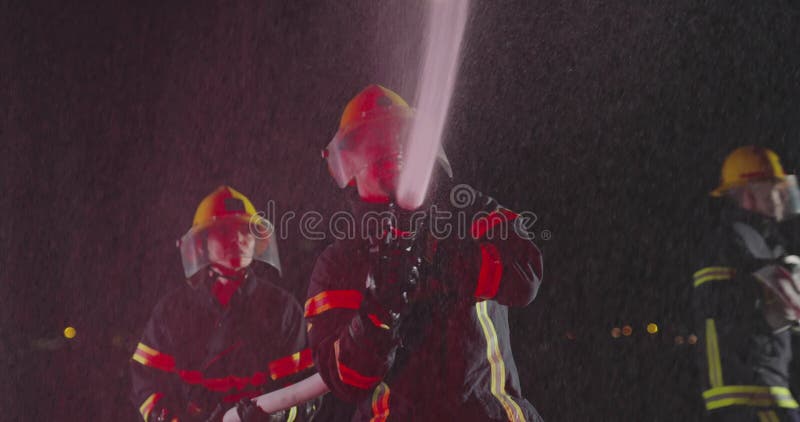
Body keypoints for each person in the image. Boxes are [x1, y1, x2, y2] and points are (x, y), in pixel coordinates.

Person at [305, 84, 545, 421]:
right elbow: (346, 381)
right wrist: (379, 310)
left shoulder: (466, 211)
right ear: (350, 165)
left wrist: (441, 266)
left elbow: (525, 273)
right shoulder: (339, 263)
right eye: (372, 144)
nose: (387, 152)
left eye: (396, 137)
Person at [130, 186, 317, 422]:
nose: (238, 239)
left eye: (245, 231)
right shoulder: (172, 311)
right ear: (202, 244)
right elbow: (145, 380)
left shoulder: (282, 309)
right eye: (225, 231)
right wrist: (166, 418)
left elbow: (303, 390)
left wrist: (275, 417)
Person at [692, 146, 800, 421]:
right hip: (748, 396)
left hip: (766, 392)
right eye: (775, 189)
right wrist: (774, 292)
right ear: (750, 192)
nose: (782, 197)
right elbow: (718, 304)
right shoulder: (732, 240)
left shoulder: (763, 243)